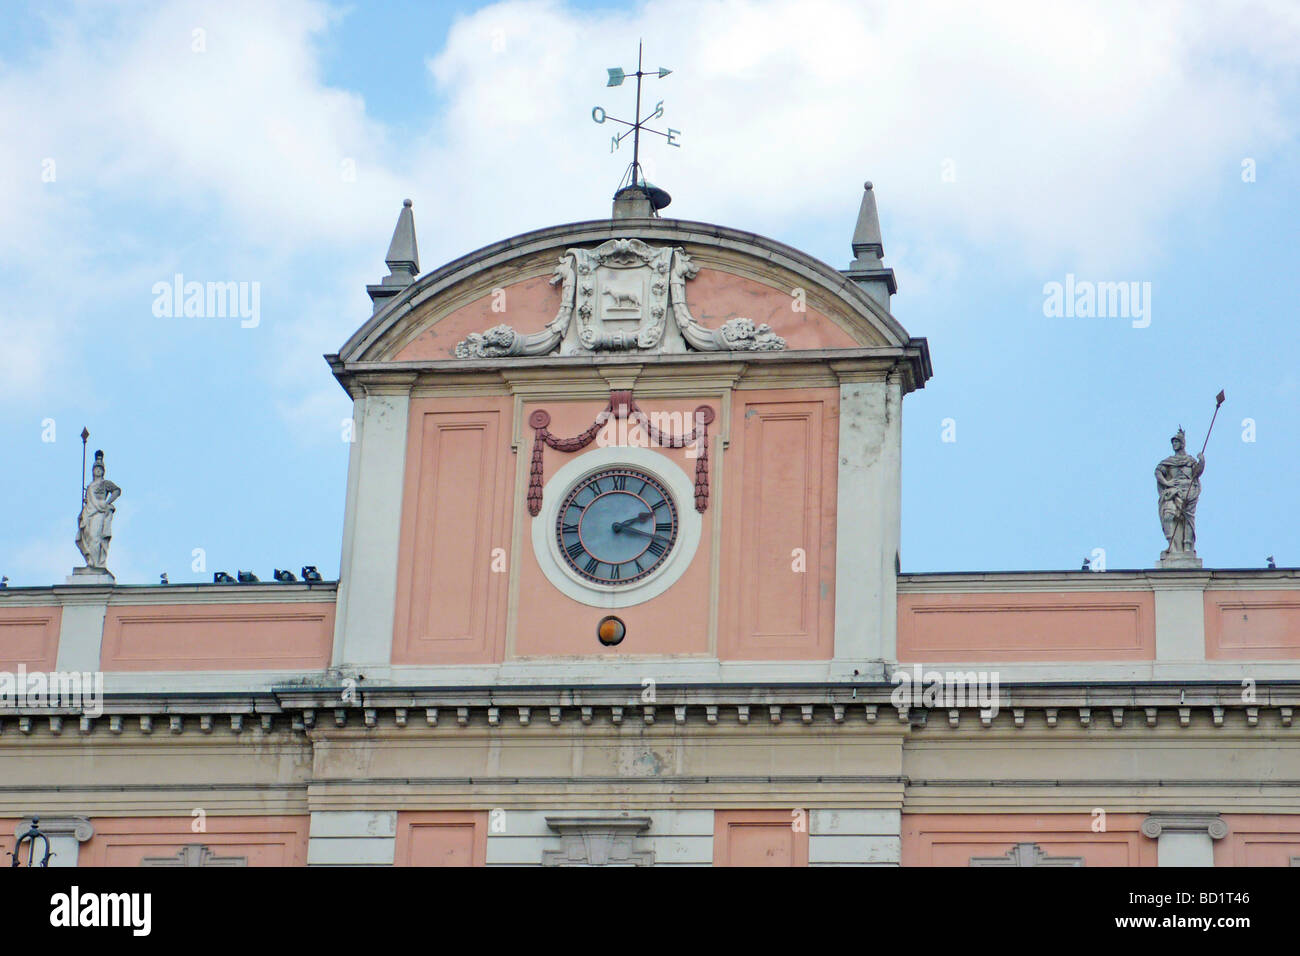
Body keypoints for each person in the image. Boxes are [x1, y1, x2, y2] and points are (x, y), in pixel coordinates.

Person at [1155, 428, 1204, 556]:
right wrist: (1167, 483)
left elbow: (1197, 473)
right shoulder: (1169, 461)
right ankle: (1172, 545)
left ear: (1182, 443)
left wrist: (1202, 461)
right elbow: (1158, 472)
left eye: (1176, 442)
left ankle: (1187, 546)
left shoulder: (1190, 460)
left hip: (1189, 490)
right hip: (1173, 491)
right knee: (1168, 515)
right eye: (1173, 442)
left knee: (1187, 518)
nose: (1174, 444)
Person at [76, 450, 121, 569]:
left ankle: (95, 564)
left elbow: (117, 491)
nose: (98, 471)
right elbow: (88, 499)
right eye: (96, 469)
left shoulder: (105, 483)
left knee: (95, 536)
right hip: (88, 511)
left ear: (103, 471)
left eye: (100, 469)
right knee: (87, 535)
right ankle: (90, 560)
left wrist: (107, 503)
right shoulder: (90, 485)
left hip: (99, 511)